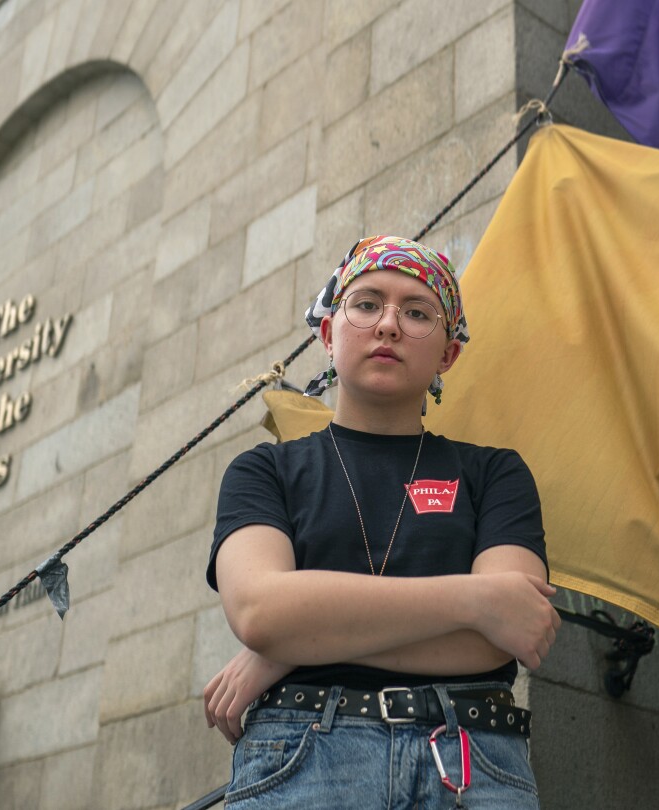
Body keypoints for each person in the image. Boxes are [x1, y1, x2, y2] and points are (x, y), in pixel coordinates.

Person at [203, 235, 560, 808]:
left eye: (418, 313)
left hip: (471, 760)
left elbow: (502, 638)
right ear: (328, 333)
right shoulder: (265, 471)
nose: (389, 324)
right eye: (366, 304)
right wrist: (477, 600)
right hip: (304, 756)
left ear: (448, 354)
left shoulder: (494, 473)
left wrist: (293, 647)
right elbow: (260, 610)